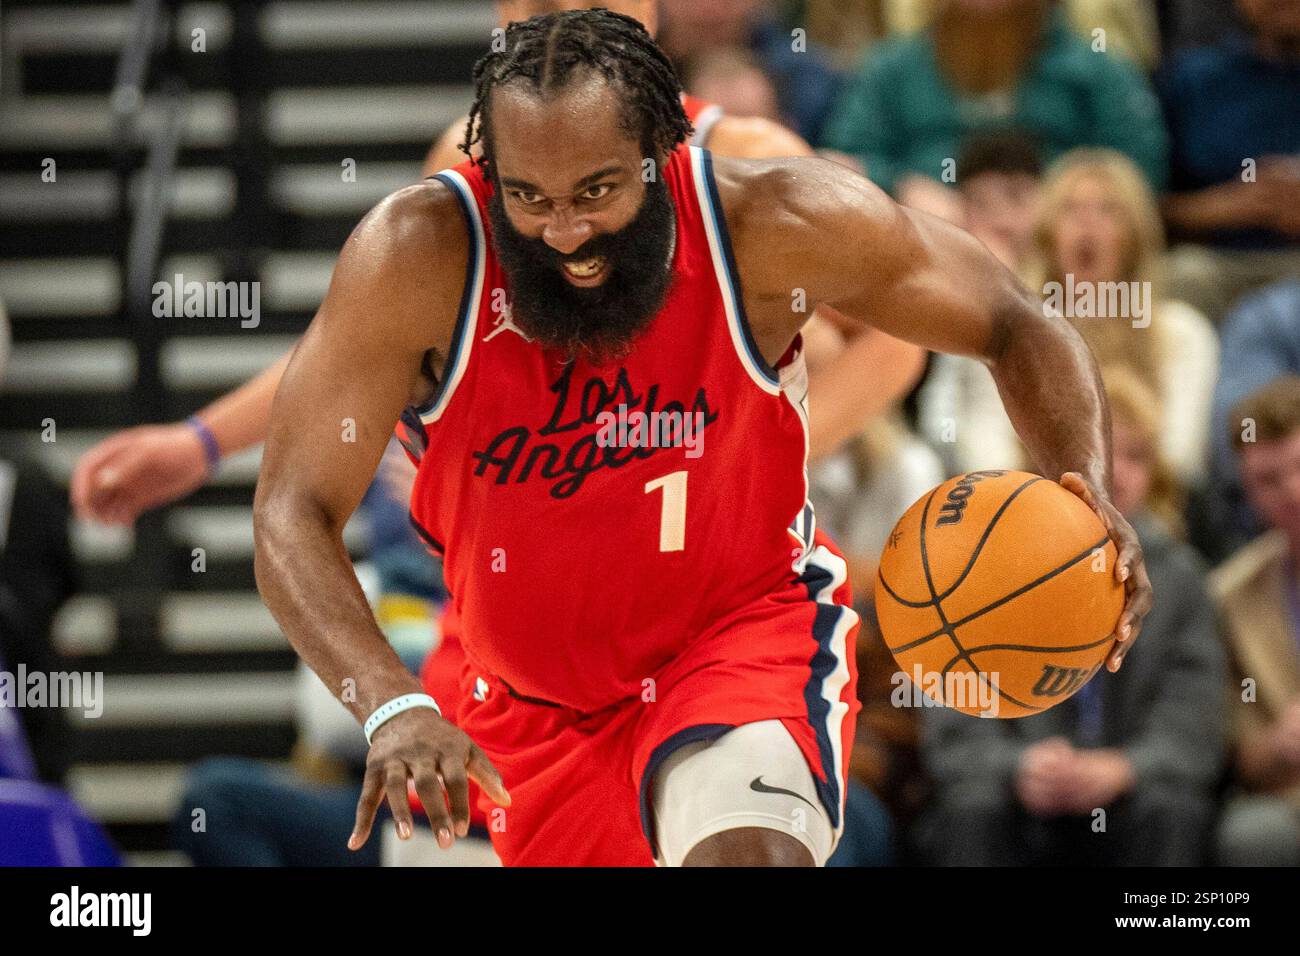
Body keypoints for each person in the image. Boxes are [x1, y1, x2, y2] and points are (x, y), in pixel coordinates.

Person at [252, 9, 1150, 868]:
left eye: (596, 191)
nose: (565, 232)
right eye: (528, 196)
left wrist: (1085, 484)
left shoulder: (773, 224)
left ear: (660, 149)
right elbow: (292, 508)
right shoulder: (418, 256)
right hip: (532, 705)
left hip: (736, 635)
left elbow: (1011, 319)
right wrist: (390, 704)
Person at [917, 366, 1224, 866]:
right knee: (973, 804)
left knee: (1172, 805)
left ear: (1157, 475)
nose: (1114, 471)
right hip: (1021, 791)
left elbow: (1195, 721)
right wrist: (1018, 765)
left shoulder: (1182, 577)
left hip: (1129, 792)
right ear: (1043, 464)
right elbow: (953, 712)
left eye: (1135, 455)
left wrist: (1126, 767)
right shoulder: (984, 568)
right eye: (1096, 451)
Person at [921, 148, 1219, 486]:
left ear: (1135, 235)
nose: (1088, 224)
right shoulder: (1006, 331)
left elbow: (1180, 457)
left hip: (1148, 510)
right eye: (1071, 210)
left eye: (1109, 210)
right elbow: (985, 454)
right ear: (1047, 235)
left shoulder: (1182, 333)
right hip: (1031, 503)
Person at [823, 0, 1168, 225]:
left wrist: (1059, 205)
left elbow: (1138, 172)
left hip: (1060, 267)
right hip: (918, 247)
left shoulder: (1096, 71)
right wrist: (902, 189)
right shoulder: (892, 70)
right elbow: (838, 164)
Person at [1158, 0, 1300, 324]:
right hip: (1217, 263)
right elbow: (1144, 208)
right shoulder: (1195, 81)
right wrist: (1226, 206)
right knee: (1185, 276)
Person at [1212, 375, 1300, 865]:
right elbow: (1239, 761)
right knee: (1251, 834)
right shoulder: (1232, 594)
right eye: (1268, 479)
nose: (1292, 490)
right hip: (1287, 799)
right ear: (1246, 489)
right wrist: (1279, 746)